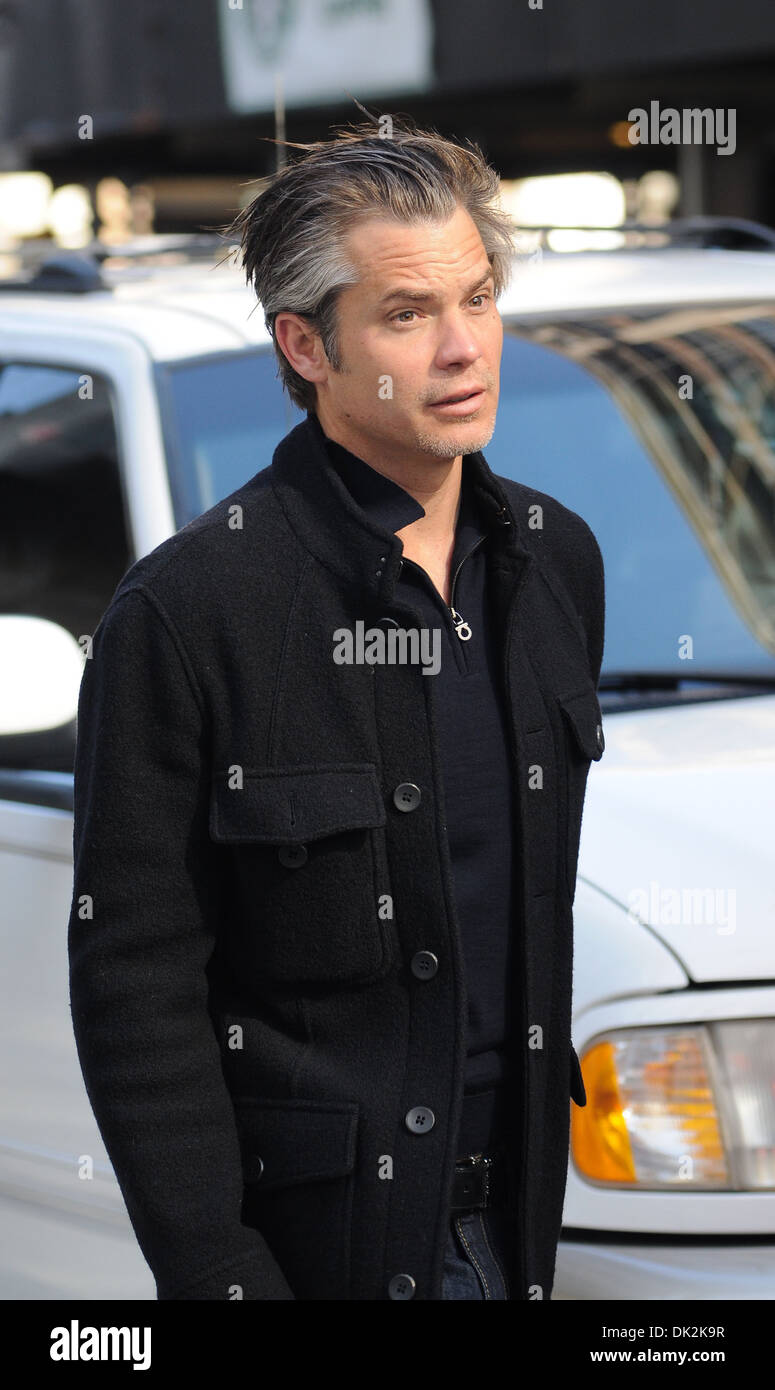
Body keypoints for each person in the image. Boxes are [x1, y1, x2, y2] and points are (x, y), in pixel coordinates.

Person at [67, 116, 604, 1301]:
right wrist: (221, 1279)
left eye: (477, 298)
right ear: (306, 345)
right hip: (323, 1261)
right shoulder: (189, 610)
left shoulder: (557, 562)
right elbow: (136, 990)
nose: (463, 348)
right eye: (407, 316)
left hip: (524, 1236)